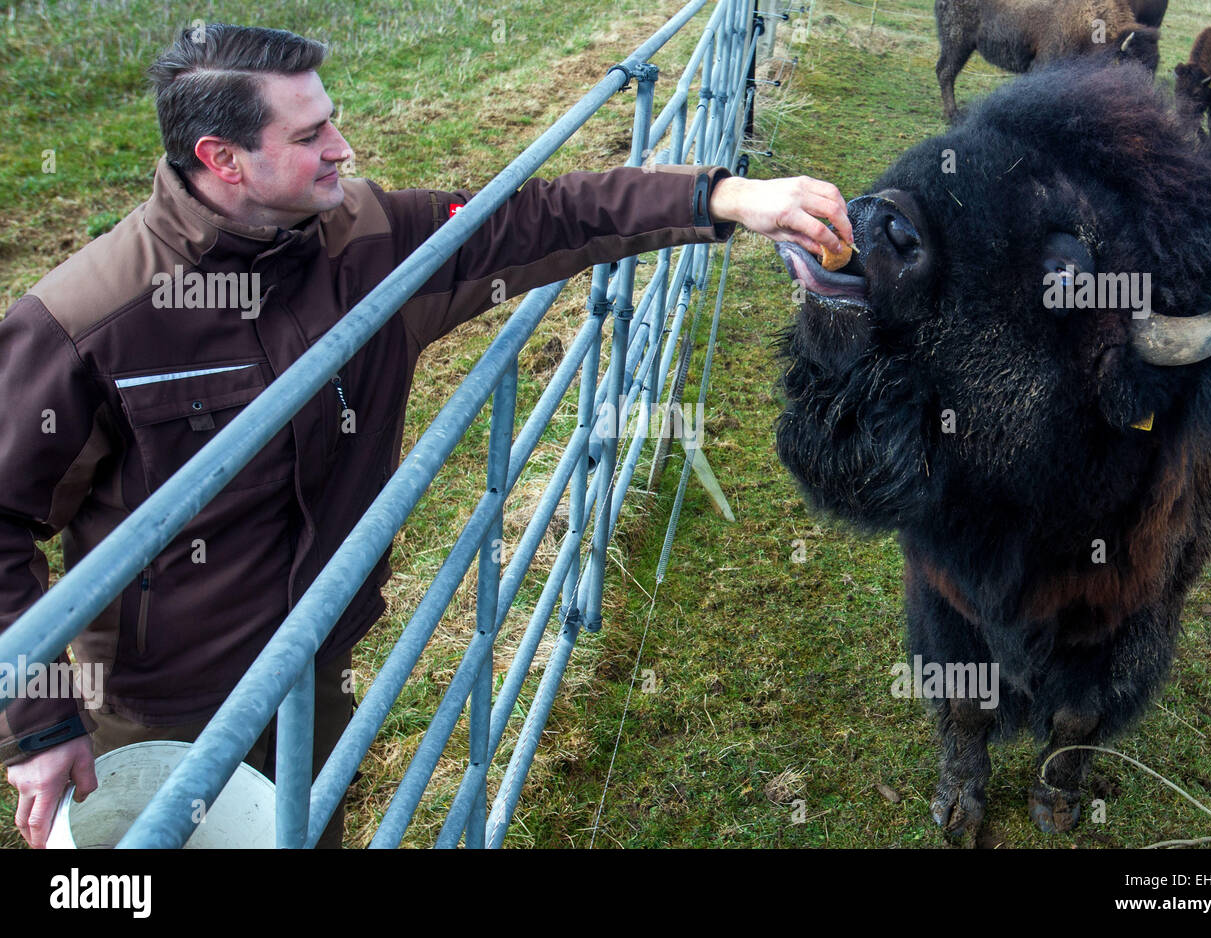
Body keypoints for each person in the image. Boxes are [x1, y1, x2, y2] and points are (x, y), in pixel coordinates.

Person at [0, 24, 851, 848]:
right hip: (162, 705)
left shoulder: (365, 240)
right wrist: (38, 728)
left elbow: (537, 218)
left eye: (331, 117)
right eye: (311, 134)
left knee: (303, 825)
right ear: (222, 159)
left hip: (314, 664)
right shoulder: (86, 323)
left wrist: (721, 196)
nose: (342, 147)